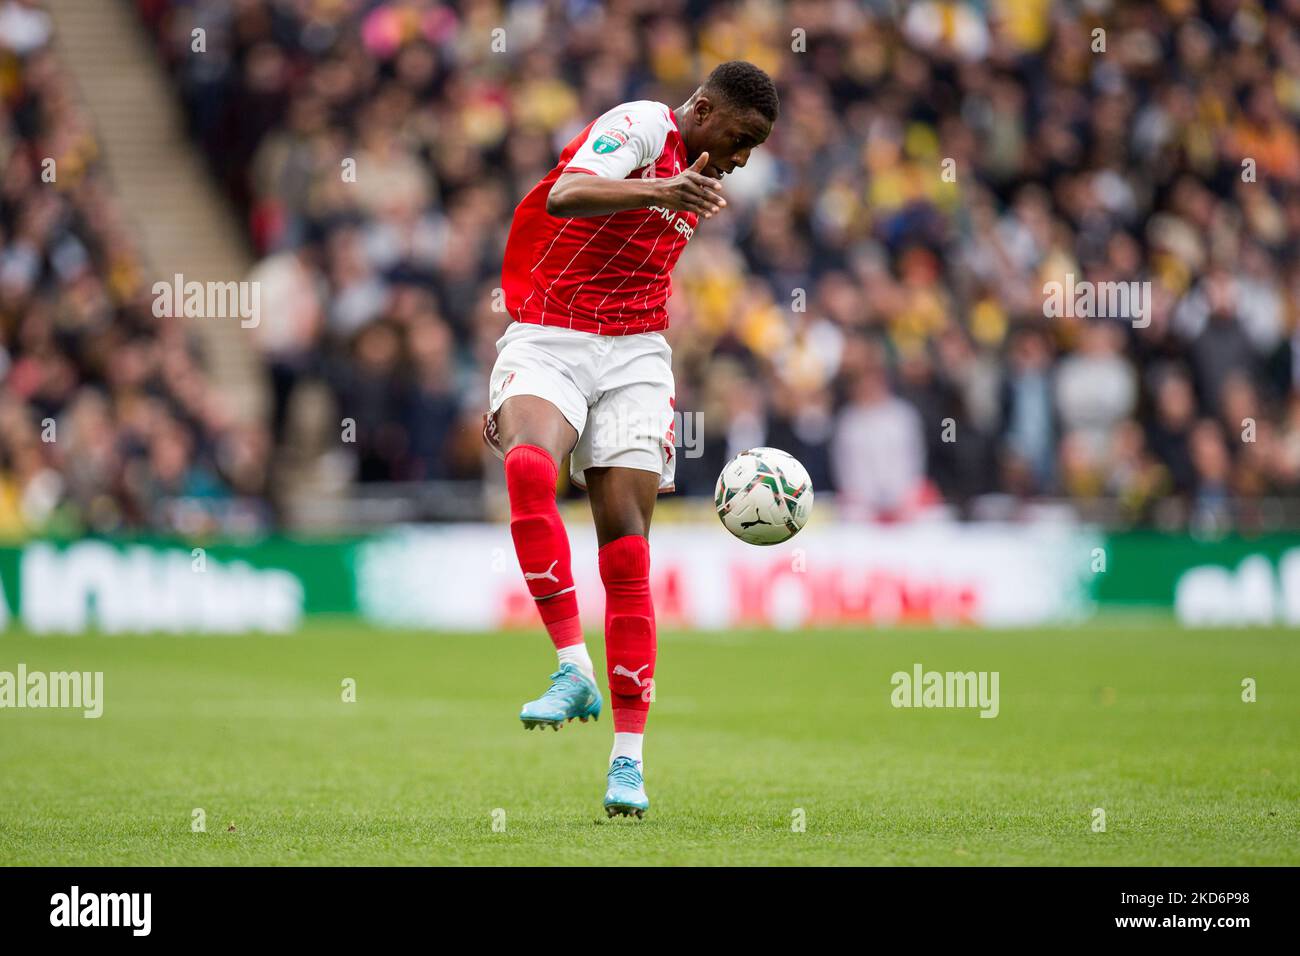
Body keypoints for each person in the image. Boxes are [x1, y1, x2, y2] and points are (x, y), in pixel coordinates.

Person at [482, 61, 778, 817]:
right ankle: (570, 665)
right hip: (551, 335)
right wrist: (660, 188)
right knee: (526, 467)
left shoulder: (707, 173)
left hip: (637, 352)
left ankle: (627, 762)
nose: (742, 159)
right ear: (703, 109)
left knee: (627, 545)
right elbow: (566, 194)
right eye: (740, 139)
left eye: (753, 150)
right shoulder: (646, 125)